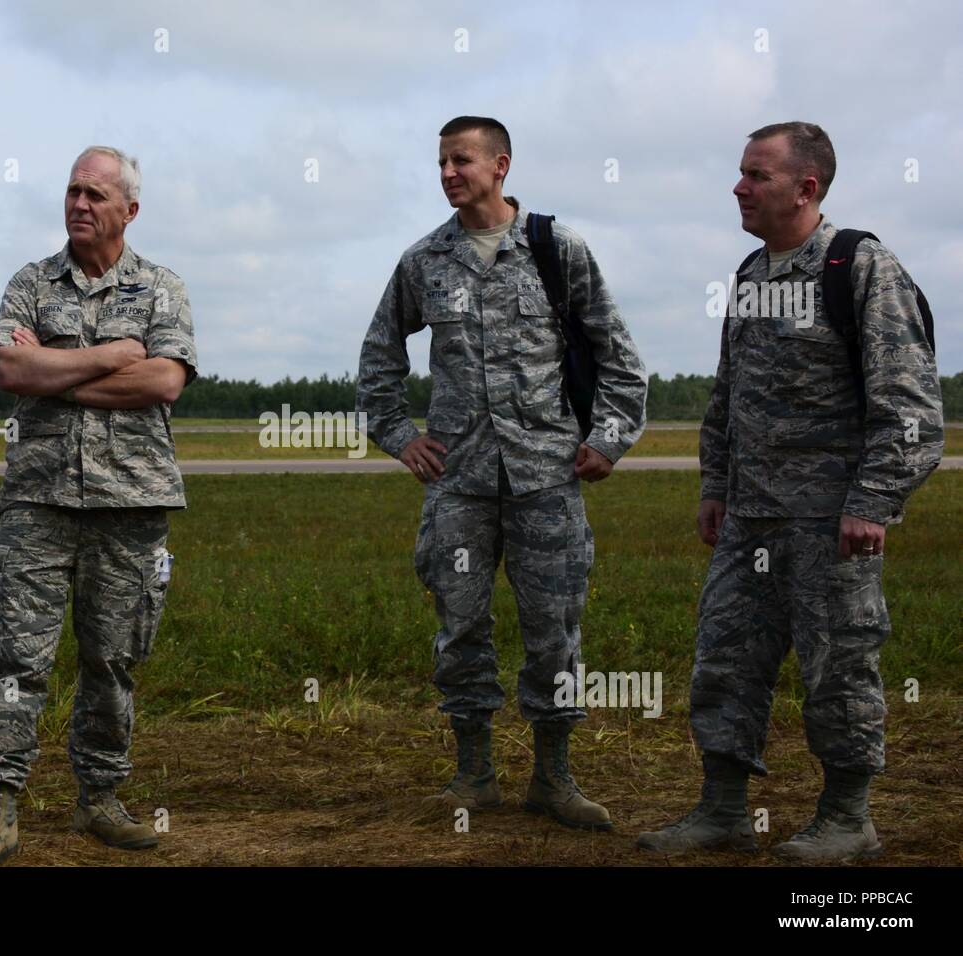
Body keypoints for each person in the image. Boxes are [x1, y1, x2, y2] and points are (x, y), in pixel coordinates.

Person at [638, 122, 943, 861]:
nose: (739, 187)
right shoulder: (749, 276)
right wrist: (716, 484)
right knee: (725, 658)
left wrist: (874, 501)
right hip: (751, 519)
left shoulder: (859, 267)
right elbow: (727, 395)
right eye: (740, 174)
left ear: (806, 188)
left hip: (830, 521)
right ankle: (722, 809)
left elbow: (910, 407)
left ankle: (847, 817)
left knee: (839, 665)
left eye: (756, 175)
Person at [356, 116, 646, 830]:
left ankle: (554, 778)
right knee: (461, 628)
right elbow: (377, 361)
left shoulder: (556, 249)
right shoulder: (425, 261)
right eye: (442, 162)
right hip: (459, 483)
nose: (449, 173)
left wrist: (608, 438)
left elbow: (618, 354)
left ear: (501, 165)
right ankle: (474, 775)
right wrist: (401, 437)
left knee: (555, 630)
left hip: (546, 475)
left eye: (462, 160)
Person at [0, 146, 197, 867]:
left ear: (129, 210)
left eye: (94, 193)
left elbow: (164, 384)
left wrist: (57, 375)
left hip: (132, 504)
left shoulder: (162, 288)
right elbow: (10, 368)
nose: (79, 204)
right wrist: (116, 352)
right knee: (14, 658)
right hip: (38, 501)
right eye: (71, 191)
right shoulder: (30, 283)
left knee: (112, 660)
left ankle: (100, 798)